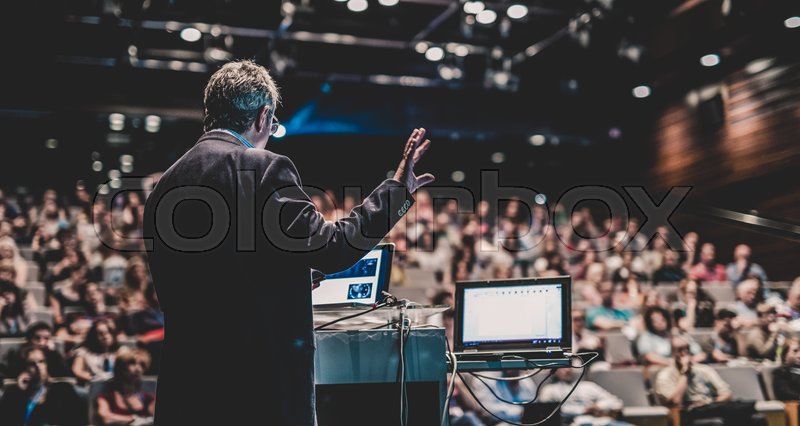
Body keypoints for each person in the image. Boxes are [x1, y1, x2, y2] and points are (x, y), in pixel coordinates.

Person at [142, 60, 434, 425]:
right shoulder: (262, 167)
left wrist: (287, 276)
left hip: (188, 387)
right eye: (273, 123)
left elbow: (202, 281)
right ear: (264, 117)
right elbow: (334, 247)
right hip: (256, 388)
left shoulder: (164, 186)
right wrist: (396, 191)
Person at [0, 346, 85, 425]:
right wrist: (21, 394)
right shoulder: (13, 393)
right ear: (23, 369)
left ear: (46, 365)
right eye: (31, 364)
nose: (38, 366)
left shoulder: (63, 389)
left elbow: (79, 420)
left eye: (41, 361)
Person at [539, 367, 630, 426]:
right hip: (573, 423)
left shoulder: (588, 386)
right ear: (554, 371)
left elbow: (616, 402)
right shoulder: (549, 390)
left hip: (601, 421)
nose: (568, 370)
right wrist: (583, 410)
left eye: (569, 366)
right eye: (563, 367)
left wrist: (598, 406)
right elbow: (546, 412)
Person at [95, 348, 155, 426]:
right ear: (121, 368)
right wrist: (134, 419)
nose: (138, 369)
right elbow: (107, 419)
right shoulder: (107, 397)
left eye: (142, 365)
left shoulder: (147, 398)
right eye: (132, 363)